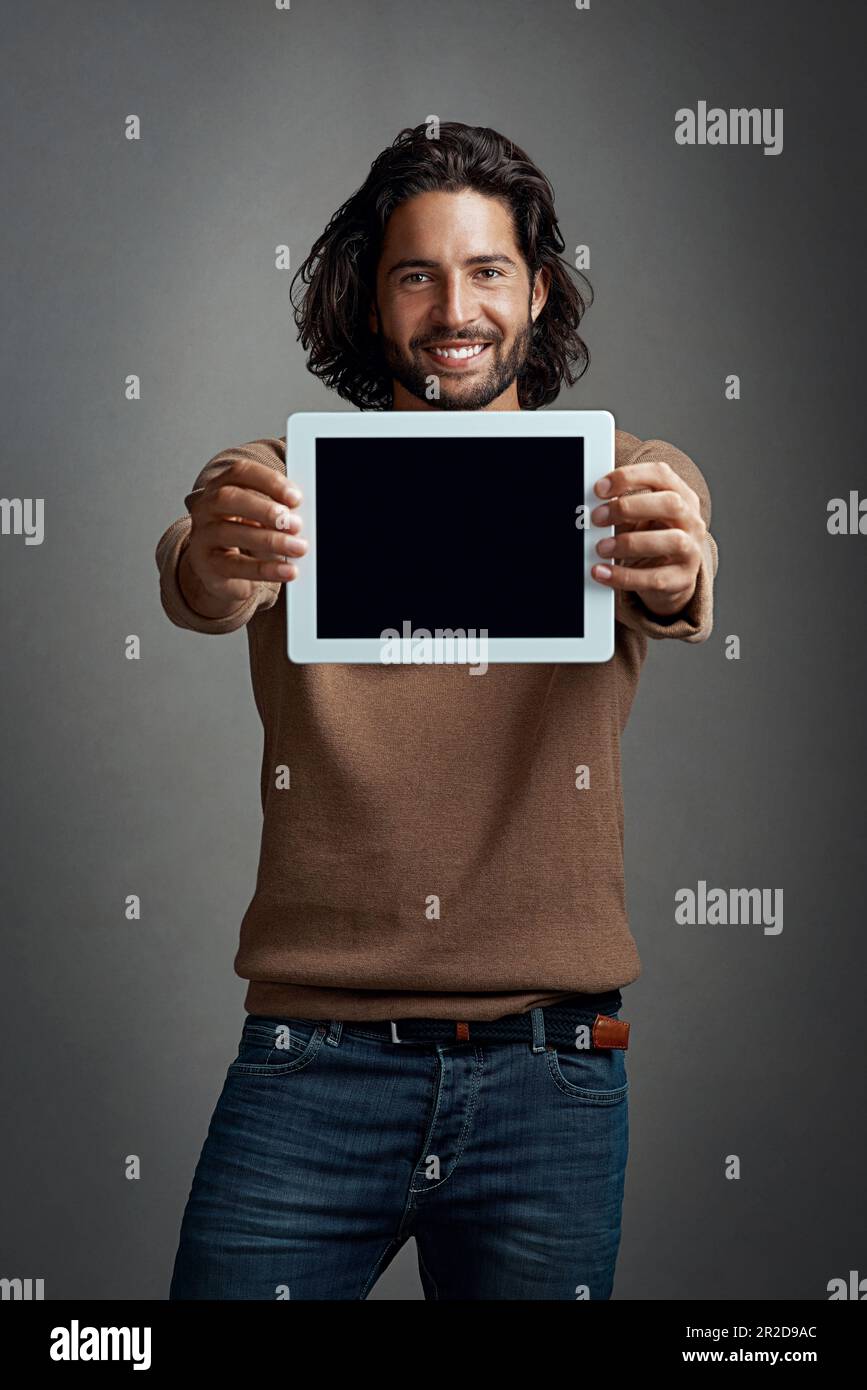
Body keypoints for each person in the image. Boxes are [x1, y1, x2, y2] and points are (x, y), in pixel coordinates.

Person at [157, 122, 718, 1300]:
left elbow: (680, 564)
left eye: (487, 271)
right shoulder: (282, 482)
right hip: (310, 1060)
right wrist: (215, 559)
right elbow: (200, 574)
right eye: (416, 273)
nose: (452, 307)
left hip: (552, 1069)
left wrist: (676, 570)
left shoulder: (618, 476)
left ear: (538, 290)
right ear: (373, 300)